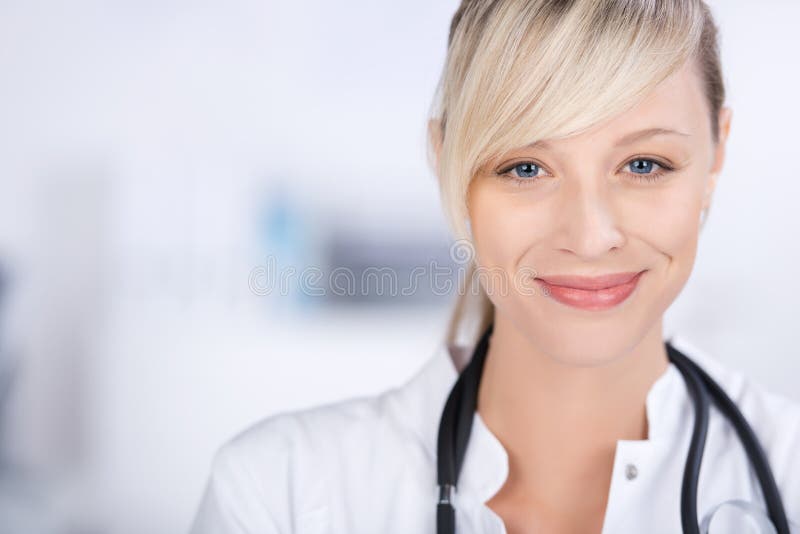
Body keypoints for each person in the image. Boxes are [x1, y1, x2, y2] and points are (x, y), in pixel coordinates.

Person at [190, 1, 800, 533]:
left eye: (643, 164)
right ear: (448, 167)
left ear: (716, 154)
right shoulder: (283, 498)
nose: (590, 237)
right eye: (526, 168)